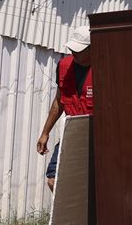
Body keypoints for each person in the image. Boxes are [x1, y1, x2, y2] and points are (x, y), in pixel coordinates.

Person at [36, 25, 94, 191]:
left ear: (92, 48)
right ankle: (65, 216)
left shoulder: (105, 67)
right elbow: (59, 100)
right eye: (72, 49)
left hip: (96, 134)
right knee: (53, 180)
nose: (74, 53)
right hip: (73, 131)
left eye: (79, 50)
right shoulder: (64, 65)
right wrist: (45, 132)